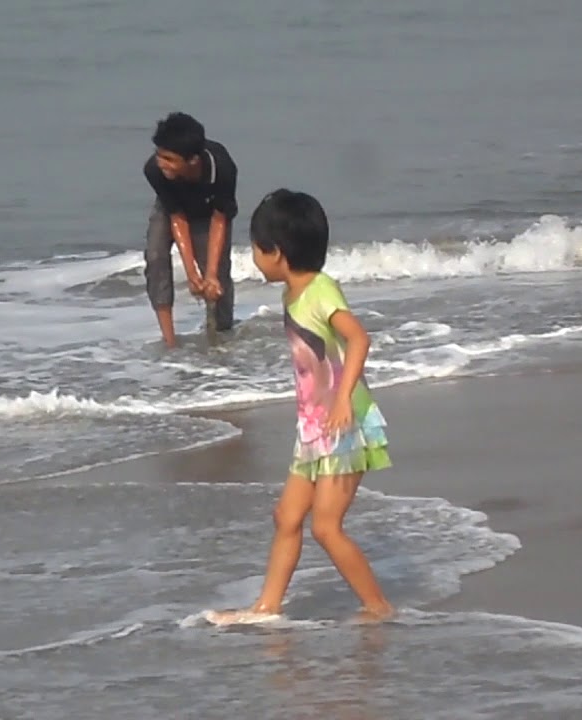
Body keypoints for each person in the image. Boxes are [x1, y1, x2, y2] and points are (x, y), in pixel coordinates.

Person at [208, 188, 394, 624]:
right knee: (285, 515)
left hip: (344, 423)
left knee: (325, 527)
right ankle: (265, 608)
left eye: (255, 248)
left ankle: (378, 608)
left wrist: (344, 401)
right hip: (314, 426)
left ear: (277, 252)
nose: (252, 256)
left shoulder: (320, 291)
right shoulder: (292, 294)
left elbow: (358, 338)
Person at [142, 112, 238, 348]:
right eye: (159, 154)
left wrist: (209, 274)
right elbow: (177, 218)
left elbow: (219, 220)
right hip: (173, 210)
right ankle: (169, 341)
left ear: (192, 160)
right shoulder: (154, 170)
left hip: (211, 213)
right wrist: (190, 274)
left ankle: (221, 336)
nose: (161, 162)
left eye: (169, 158)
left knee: (217, 276)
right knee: (155, 257)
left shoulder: (222, 168)